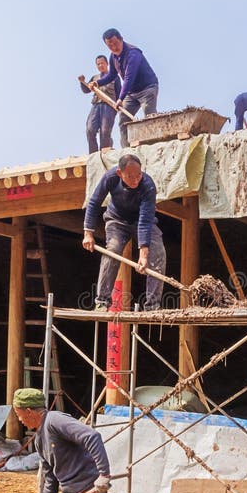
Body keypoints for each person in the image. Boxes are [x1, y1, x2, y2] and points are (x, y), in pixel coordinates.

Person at [82, 153, 166, 311]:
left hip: (141, 221)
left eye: (138, 175)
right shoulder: (110, 178)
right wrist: (88, 233)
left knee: (157, 252)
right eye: (130, 176)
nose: (135, 180)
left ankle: (152, 306)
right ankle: (102, 301)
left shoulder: (148, 185)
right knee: (112, 250)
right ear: (120, 173)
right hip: (117, 221)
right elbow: (94, 202)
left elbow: (145, 221)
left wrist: (143, 254)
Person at [91, 28, 159, 146]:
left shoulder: (133, 53)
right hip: (131, 93)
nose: (114, 47)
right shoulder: (113, 57)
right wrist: (98, 83)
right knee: (123, 119)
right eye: (110, 46)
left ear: (121, 39)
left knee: (149, 115)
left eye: (115, 43)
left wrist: (120, 98)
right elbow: (112, 75)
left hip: (147, 89)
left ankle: (153, 145)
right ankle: (126, 149)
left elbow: (129, 78)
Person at [78, 55, 121, 153]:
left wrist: (118, 107)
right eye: (98, 64)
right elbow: (86, 90)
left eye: (102, 63)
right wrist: (82, 82)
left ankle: (105, 153)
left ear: (107, 64)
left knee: (105, 131)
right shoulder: (95, 78)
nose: (100, 65)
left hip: (109, 106)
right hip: (96, 106)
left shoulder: (114, 77)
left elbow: (119, 93)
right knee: (90, 129)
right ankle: (93, 154)